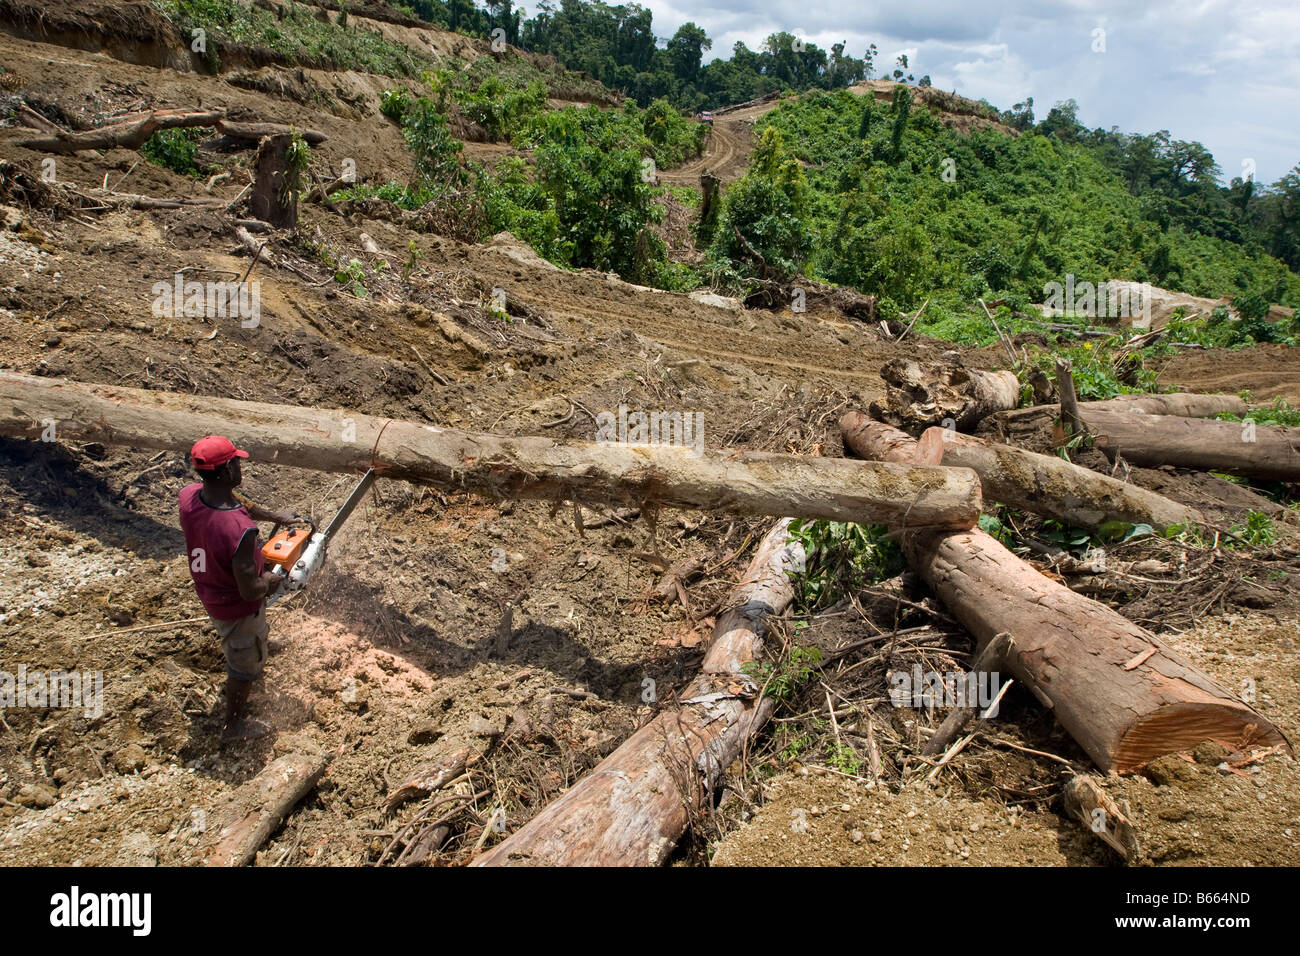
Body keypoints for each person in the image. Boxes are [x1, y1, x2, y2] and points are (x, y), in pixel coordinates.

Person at [178, 435, 302, 743]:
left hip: (209, 588)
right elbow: (251, 590)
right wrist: (276, 577)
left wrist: (276, 517)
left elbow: (237, 502)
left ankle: (260, 640)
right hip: (235, 604)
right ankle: (233, 725)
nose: (239, 467)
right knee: (244, 666)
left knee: (251, 632)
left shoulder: (190, 496)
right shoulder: (240, 530)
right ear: (224, 471)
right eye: (234, 463)